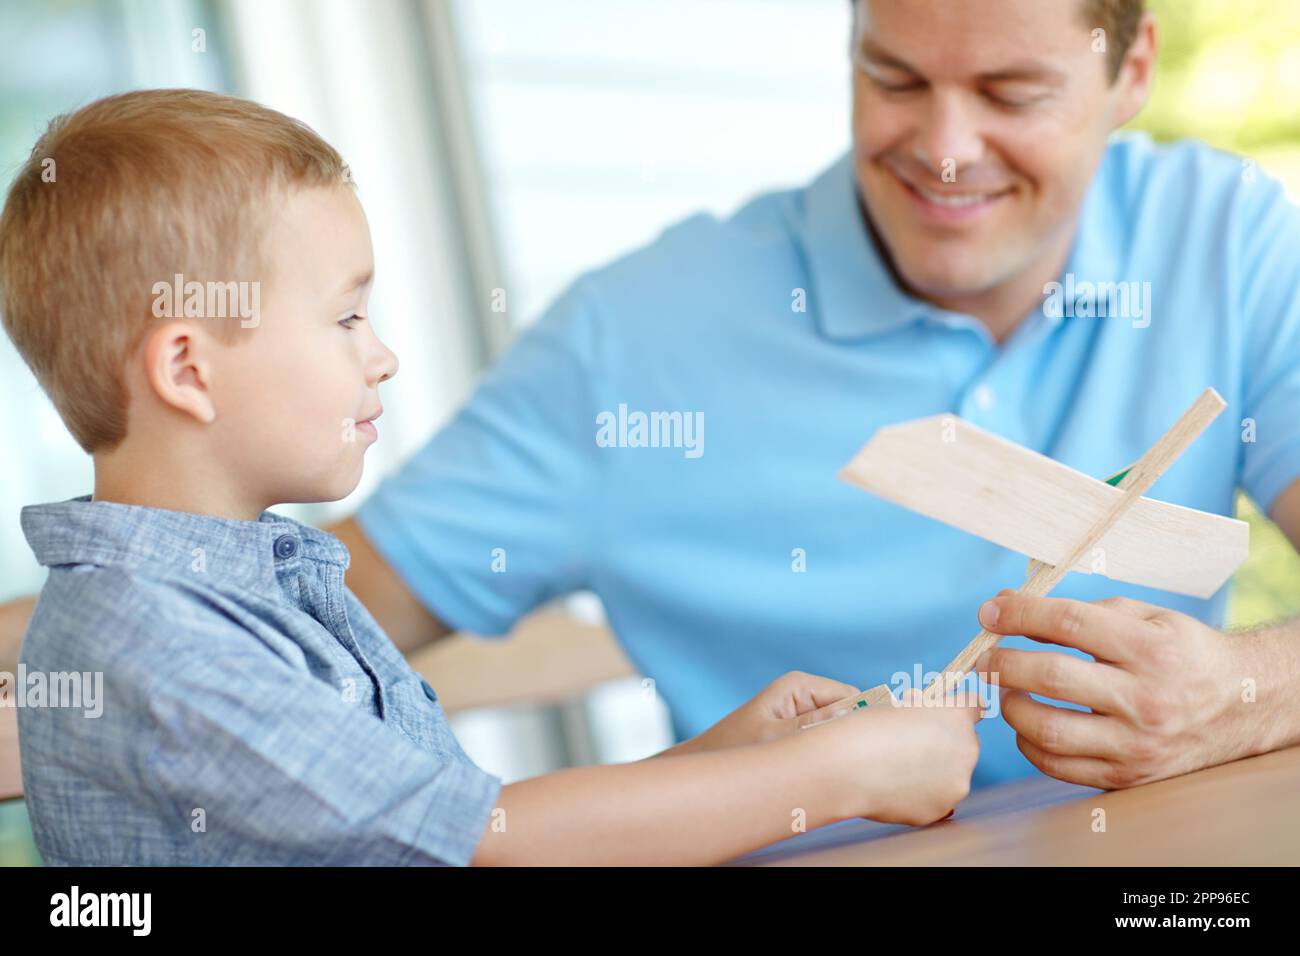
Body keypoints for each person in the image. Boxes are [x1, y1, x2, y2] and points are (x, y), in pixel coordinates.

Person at [4, 0, 1300, 794]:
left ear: (1132, 72)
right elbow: (258, 603)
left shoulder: (1228, 240)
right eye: (894, 78)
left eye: (1015, 93)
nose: (945, 147)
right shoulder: (633, 345)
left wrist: (1245, 685)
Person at [0, 89, 982, 866]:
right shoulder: (155, 650)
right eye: (345, 318)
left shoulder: (241, 590)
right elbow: (492, 843)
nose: (381, 356)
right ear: (187, 369)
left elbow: (473, 830)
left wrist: (741, 757)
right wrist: (833, 775)